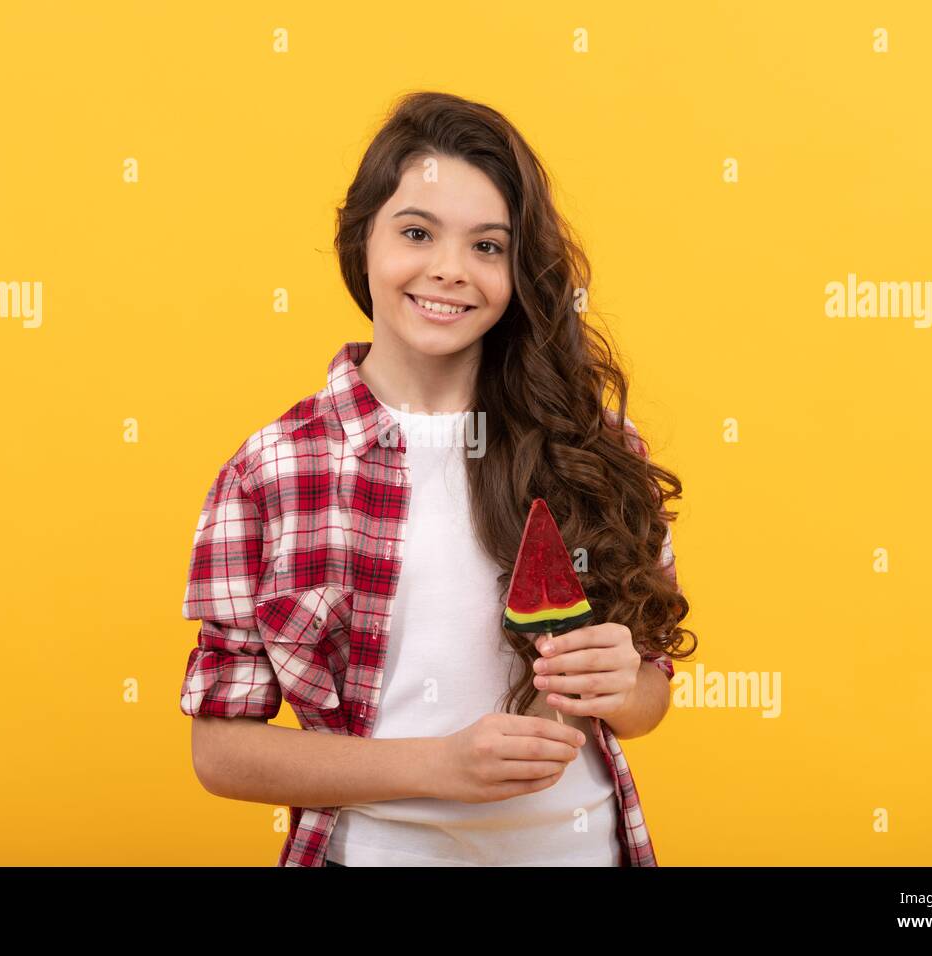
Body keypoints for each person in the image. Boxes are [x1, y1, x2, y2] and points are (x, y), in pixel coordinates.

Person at [181, 91, 695, 867]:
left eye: (489, 247)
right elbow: (220, 751)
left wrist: (624, 685)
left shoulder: (593, 447)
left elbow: (645, 701)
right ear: (363, 244)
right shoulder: (273, 469)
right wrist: (437, 768)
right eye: (417, 233)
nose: (450, 271)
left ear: (519, 268)